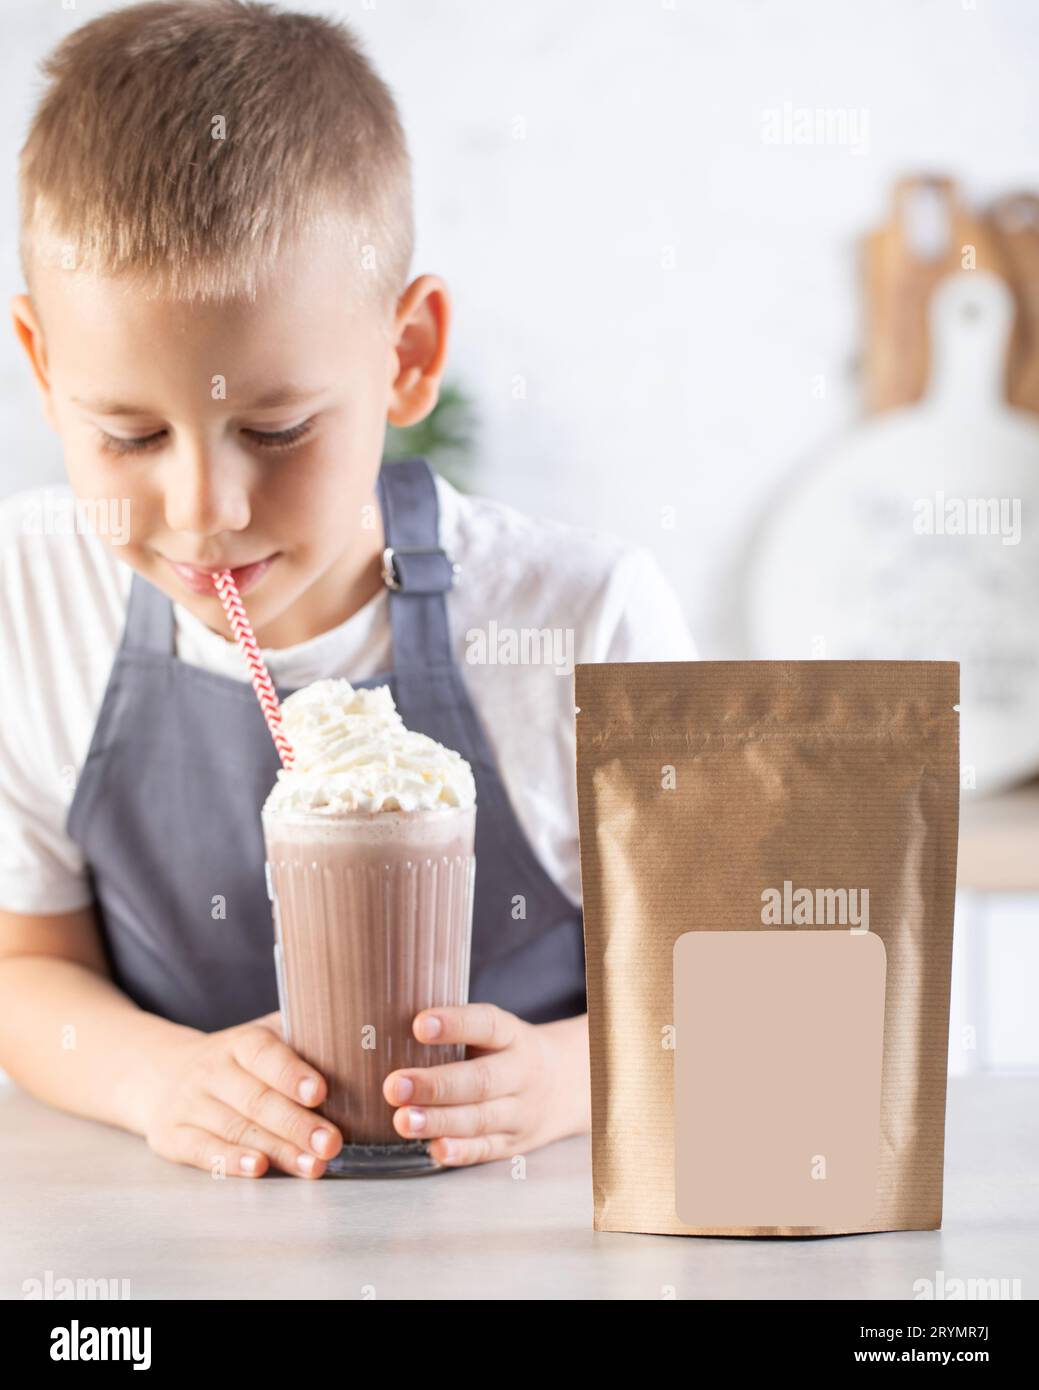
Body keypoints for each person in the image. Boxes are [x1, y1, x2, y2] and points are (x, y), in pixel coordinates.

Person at [0, 0, 696, 1179]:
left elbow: (745, 986)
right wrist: (155, 1077)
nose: (203, 508)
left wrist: (578, 1076)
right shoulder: (32, 598)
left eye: (273, 429)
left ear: (408, 355)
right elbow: (28, 968)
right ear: (42, 365)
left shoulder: (583, 618)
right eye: (127, 434)